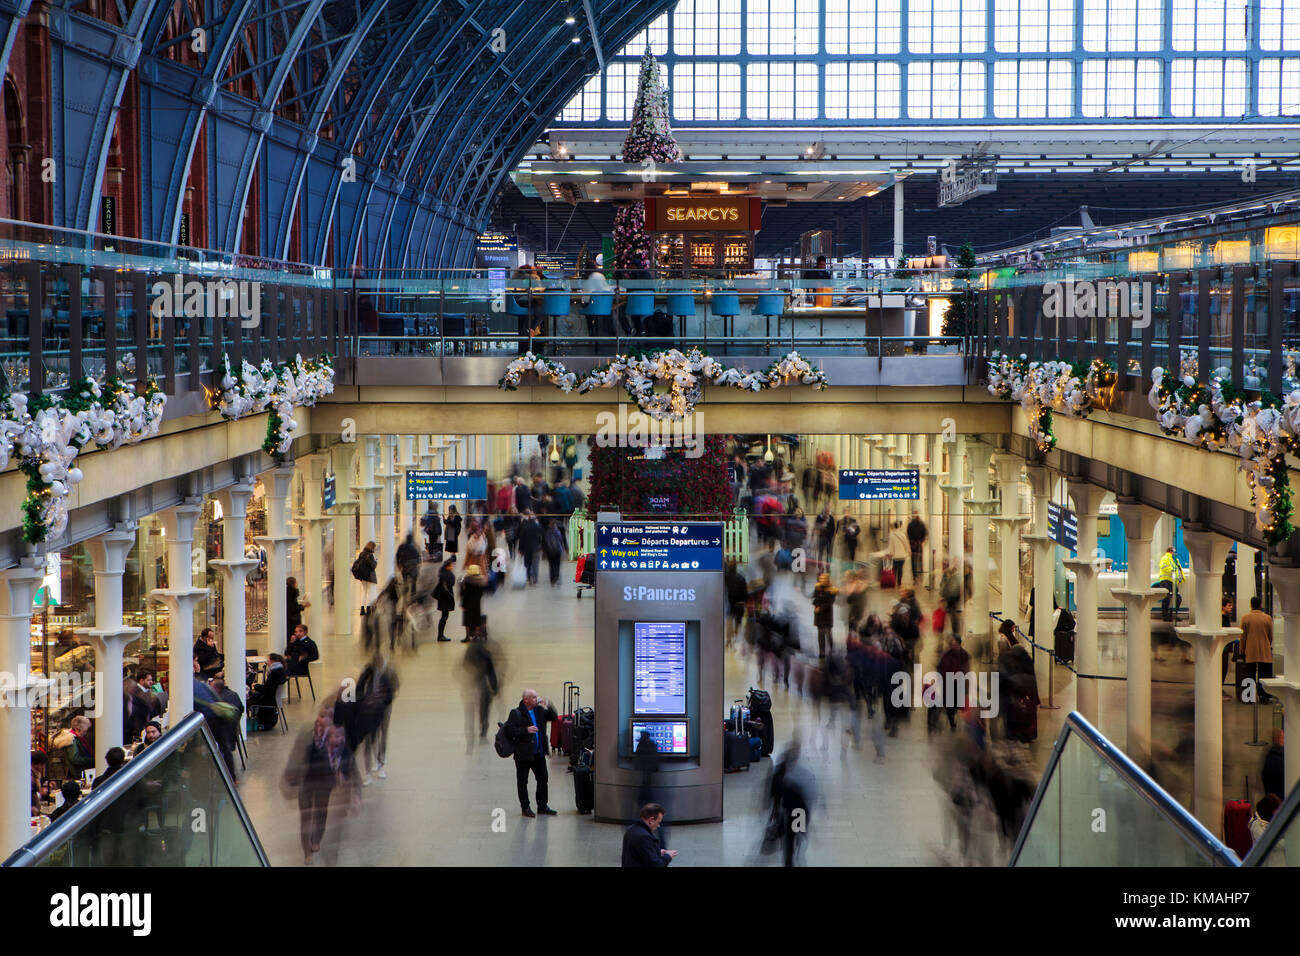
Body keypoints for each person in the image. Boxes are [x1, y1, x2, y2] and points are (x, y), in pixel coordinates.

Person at [283, 710, 361, 864]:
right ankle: (307, 851)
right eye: (322, 716)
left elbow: (350, 766)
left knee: (321, 813)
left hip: (324, 787)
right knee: (305, 819)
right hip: (306, 785)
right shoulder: (310, 739)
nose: (324, 721)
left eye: (328, 718)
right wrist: (292, 777)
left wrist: (353, 790)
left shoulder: (340, 743)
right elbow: (297, 758)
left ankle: (316, 838)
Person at [504, 688, 558, 817]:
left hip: (538, 753)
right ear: (526, 700)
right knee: (523, 781)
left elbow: (553, 717)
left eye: (536, 696)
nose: (536, 699)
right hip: (524, 754)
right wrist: (525, 730)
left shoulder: (539, 710)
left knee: (543, 778)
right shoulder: (516, 713)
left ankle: (542, 806)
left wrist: (549, 705)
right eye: (533, 697)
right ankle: (525, 807)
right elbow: (510, 731)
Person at [769, 742, 813, 867]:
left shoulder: (781, 771)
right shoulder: (799, 772)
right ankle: (794, 855)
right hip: (797, 811)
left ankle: (790, 856)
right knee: (794, 835)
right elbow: (810, 791)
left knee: (790, 836)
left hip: (788, 809)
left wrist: (774, 808)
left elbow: (774, 791)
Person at [621, 803, 677, 867]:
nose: (659, 826)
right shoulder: (644, 837)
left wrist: (657, 851)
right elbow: (656, 865)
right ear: (651, 820)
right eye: (658, 822)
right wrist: (668, 856)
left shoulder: (631, 829)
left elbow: (640, 853)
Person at [937, 634, 972, 730]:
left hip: (959, 683)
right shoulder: (946, 655)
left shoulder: (964, 655)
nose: (953, 646)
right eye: (952, 644)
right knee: (950, 706)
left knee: (960, 704)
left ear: (959, 644)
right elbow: (940, 668)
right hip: (948, 683)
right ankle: (952, 724)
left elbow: (967, 670)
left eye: (955, 644)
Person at [248, 654, 288, 730]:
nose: (267, 662)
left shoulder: (274, 673)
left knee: (249, 701)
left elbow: (267, 689)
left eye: (268, 660)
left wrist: (256, 686)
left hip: (269, 699)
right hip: (274, 698)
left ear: (273, 661)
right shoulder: (280, 670)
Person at [1154, 546, 1185, 621]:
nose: (1175, 553)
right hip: (1165, 580)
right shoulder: (1165, 558)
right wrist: (1172, 571)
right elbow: (1164, 567)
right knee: (1166, 598)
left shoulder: (1174, 560)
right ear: (1170, 551)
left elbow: (1179, 570)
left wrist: (1181, 578)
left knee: (1178, 598)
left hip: (1172, 582)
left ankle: (1172, 615)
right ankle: (1165, 616)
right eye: (1174, 552)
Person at [812, 572, 838, 658]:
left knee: (828, 634)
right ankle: (822, 652)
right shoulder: (817, 588)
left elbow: (830, 603)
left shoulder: (832, 590)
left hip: (826, 616)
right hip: (819, 616)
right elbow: (815, 599)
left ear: (827, 580)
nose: (821, 580)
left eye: (823, 579)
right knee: (820, 635)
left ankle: (831, 649)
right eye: (820, 579)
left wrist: (821, 608)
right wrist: (816, 606)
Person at [459, 564, 487, 642]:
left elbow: (465, 594)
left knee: (467, 620)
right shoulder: (481, 580)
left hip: (468, 603)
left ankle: (467, 637)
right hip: (477, 603)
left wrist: (463, 604)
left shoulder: (467, 580)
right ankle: (476, 637)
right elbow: (482, 593)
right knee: (476, 619)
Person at [352, 540, 378, 616]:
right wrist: (376, 561)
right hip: (369, 576)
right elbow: (373, 566)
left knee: (363, 592)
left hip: (363, 576)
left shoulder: (362, 554)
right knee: (370, 593)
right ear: (372, 548)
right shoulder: (370, 555)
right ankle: (369, 609)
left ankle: (362, 609)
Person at [433, 557, 457, 642]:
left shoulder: (443, 574)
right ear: (447, 566)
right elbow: (447, 587)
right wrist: (450, 596)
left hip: (442, 598)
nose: (452, 567)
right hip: (446, 598)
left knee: (444, 617)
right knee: (444, 617)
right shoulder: (447, 575)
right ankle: (440, 636)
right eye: (451, 566)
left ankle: (440, 635)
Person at [518, 510, 543, 586]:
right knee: (535, 564)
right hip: (536, 548)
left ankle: (529, 578)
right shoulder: (538, 526)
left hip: (526, 548)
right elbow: (542, 535)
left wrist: (520, 549)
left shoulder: (525, 527)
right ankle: (535, 579)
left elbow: (521, 539)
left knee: (528, 564)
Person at [542, 517, 567, 587]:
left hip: (550, 552)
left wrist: (544, 551)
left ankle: (552, 580)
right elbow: (562, 541)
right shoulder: (558, 532)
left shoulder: (547, 532)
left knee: (551, 566)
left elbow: (545, 542)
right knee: (557, 565)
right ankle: (557, 577)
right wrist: (564, 549)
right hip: (558, 551)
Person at [1262, 729, 1285, 799]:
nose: (1284, 740)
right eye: (1283, 738)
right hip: (1279, 798)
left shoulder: (1269, 755)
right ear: (1278, 739)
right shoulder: (1277, 757)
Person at [906, 512, 928, 584]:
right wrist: (921, 541)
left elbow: (908, 533)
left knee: (913, 560)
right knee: (920, 558)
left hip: (913, 544)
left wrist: (912, 541)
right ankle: (920, 571)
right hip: (919, 543)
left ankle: (914, 574)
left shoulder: (910, 524)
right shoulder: (922, 524)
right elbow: (925, 533)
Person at [888, 520, 909, 585]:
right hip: (902, 556)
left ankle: (894, 581)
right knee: (900, 569)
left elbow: (891, 546)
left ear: (894, 527)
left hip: (895, 556)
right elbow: (906, 544)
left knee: (894, 569)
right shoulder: (903, 535)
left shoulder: (892, 535)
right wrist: (908, 551)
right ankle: (899, 582)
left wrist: (890, 554)